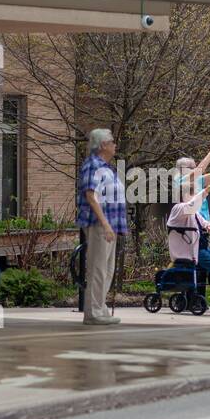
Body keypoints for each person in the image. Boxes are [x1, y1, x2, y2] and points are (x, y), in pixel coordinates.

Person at [78, 128, 127, 326]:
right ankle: (93, 312)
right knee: (97, 269)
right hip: (99, 224)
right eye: (112, 141)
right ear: (103, 145)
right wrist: (105, 223)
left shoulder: (105, 167)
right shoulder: (93, 166)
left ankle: (100, 307)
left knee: (107, 269)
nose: (115, 145)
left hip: (110, 225)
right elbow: (91, 195)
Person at [168, 164, 210, 277]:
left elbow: (205, 222)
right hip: (189, 252)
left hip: (199, 248)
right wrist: (207, 189)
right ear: (184, 196)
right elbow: (191, 206)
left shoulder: (195, 213)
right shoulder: (178, 209)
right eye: (193, 194)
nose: (196, 196)